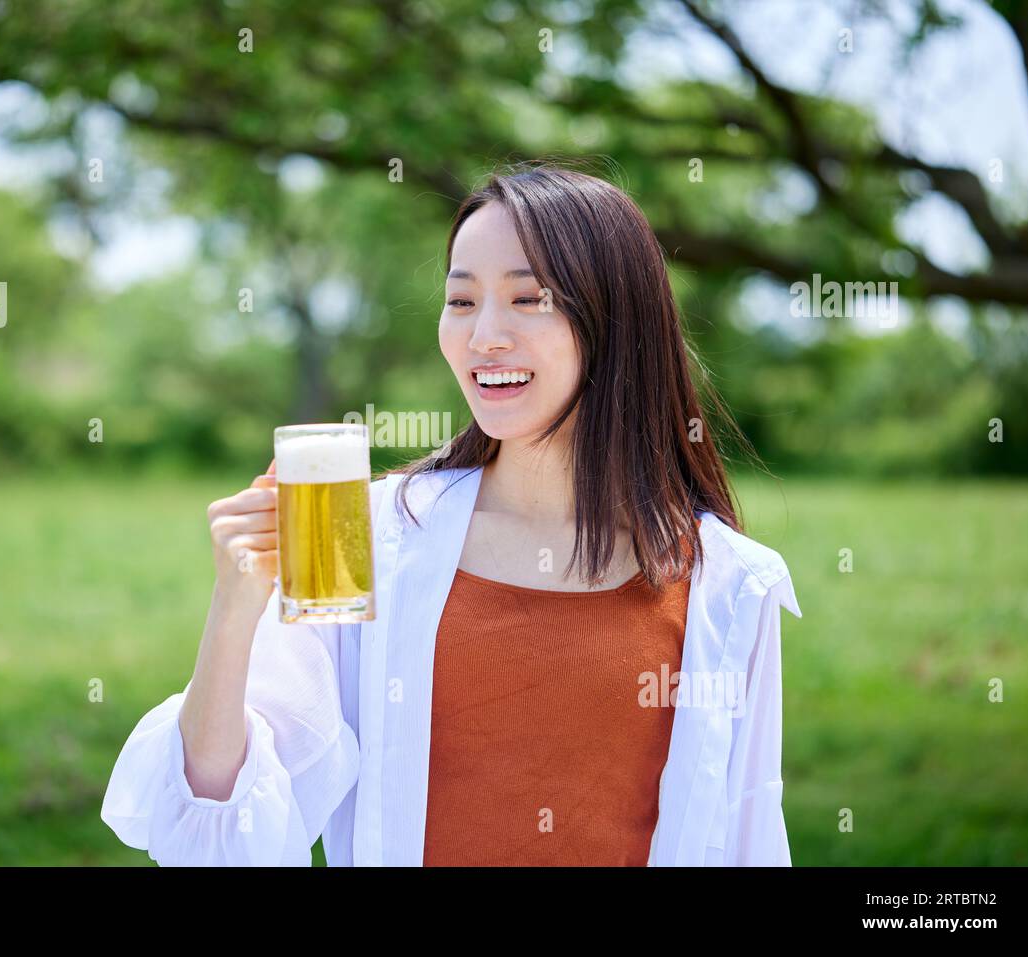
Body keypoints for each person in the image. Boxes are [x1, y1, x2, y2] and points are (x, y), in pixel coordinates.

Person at [100, 161, 802, 866]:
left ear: (616, 319)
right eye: (461, 302)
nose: (483, 336)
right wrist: (235, 610)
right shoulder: (369, 538)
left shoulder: (728, 588)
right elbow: (217, 829)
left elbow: (748, 841)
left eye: (528, 299)